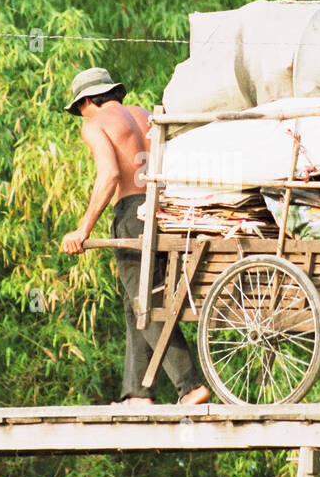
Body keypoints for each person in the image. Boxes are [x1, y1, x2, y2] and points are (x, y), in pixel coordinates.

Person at [59, 67, 211, 406]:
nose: (79, 115)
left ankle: (190, 386)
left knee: (147, 303)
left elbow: (110, 174)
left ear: (86, 101)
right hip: (166, 210)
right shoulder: (145, 117)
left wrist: (83, 228)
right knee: (137, 303)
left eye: (78, 109)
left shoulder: (94, 124)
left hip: (132, 214)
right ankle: (138, 393)